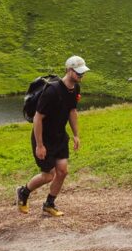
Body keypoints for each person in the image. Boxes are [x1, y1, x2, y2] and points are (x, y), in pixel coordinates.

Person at [16, 55, 88, 217]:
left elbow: (72, 111)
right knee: (48, 175)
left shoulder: (75, 88)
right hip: (44, 138)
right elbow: (38, 118)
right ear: (69, 71)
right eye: (78, 73)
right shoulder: (52, 90)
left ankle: (49, 204)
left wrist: (76, 135)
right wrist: (40, 145)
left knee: (62, 172)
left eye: (83, 73)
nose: (81, 76)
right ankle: (23, 191)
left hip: (60, 136)